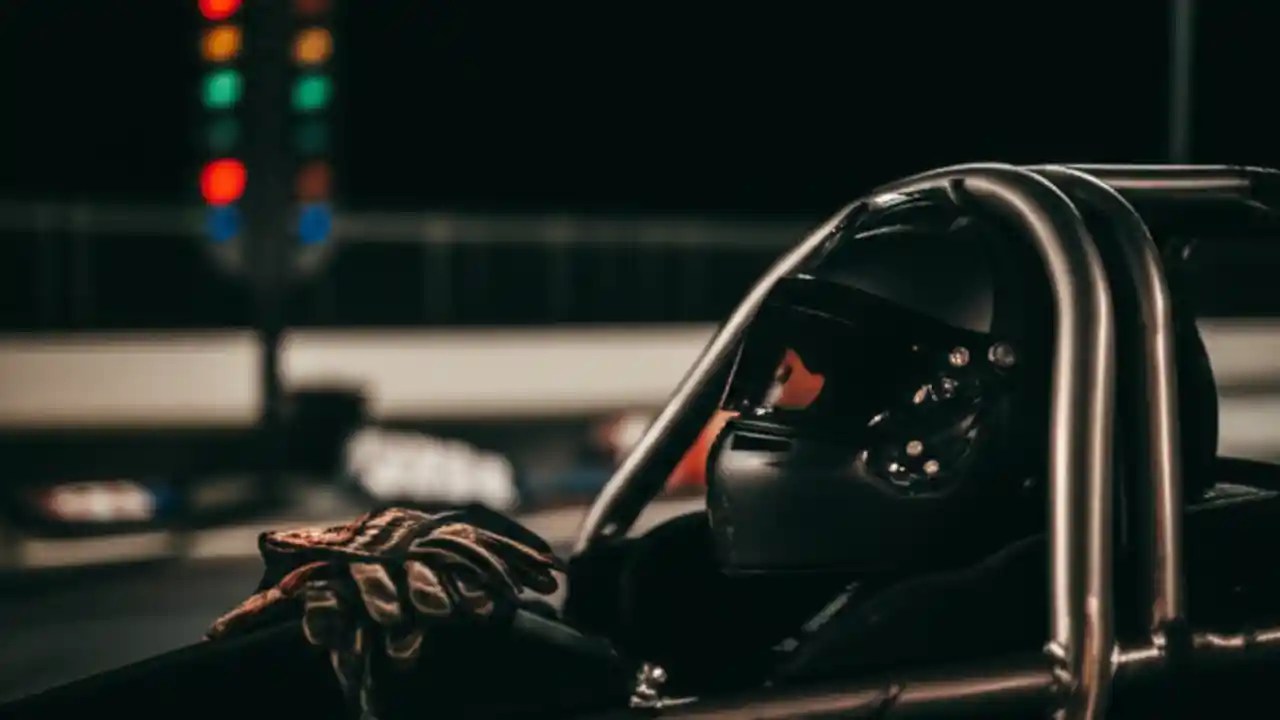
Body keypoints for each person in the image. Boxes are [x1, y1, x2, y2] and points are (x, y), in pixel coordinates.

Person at [202, 186, 1280, 720]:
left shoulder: (956, 657)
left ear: (948, 418)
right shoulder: (837, 605)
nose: (766, 408)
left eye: (806, 380)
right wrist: (485, 578)